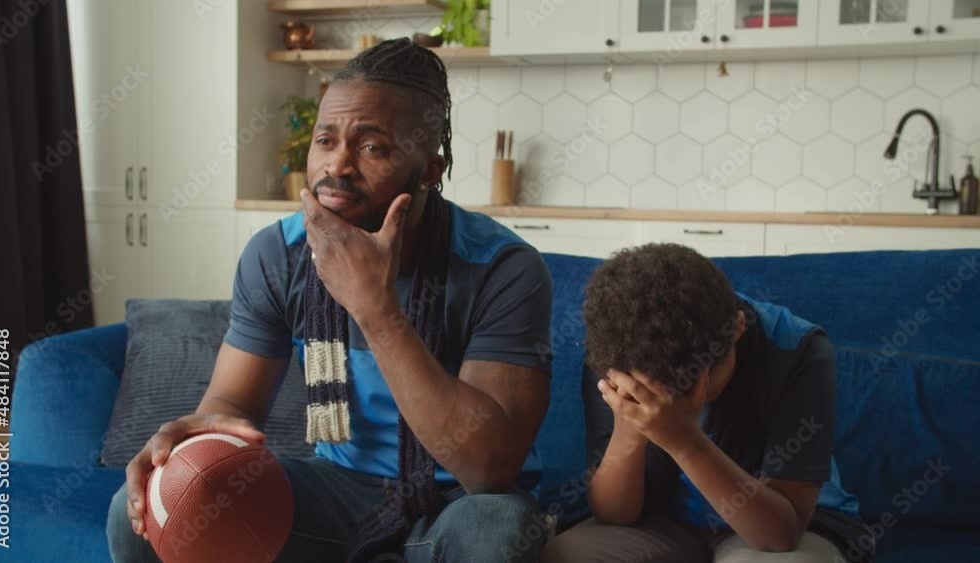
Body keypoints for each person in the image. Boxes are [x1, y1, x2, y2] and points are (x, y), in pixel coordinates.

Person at [106, 38, 554, 563]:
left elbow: (488, 469)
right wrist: (189, 453)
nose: (337, 165)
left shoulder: (503, 267)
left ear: (430, 171)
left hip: (456, 502)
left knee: (499, 526)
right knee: (146, 510)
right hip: (336, 491)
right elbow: (233, 407)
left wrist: (375, 309)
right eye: (325, 140)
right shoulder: (279, 254)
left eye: (372, 147)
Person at [542, 243, 874, 563]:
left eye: (691, 388)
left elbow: (779, 537)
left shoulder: (796, 350)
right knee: (565, 556)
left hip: (780, 522)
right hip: (664, 522)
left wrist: (684, 440)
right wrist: (629, 430)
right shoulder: (619, 346)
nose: (670, 404)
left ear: (737, 329)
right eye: (654, 392)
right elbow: (615, 516)